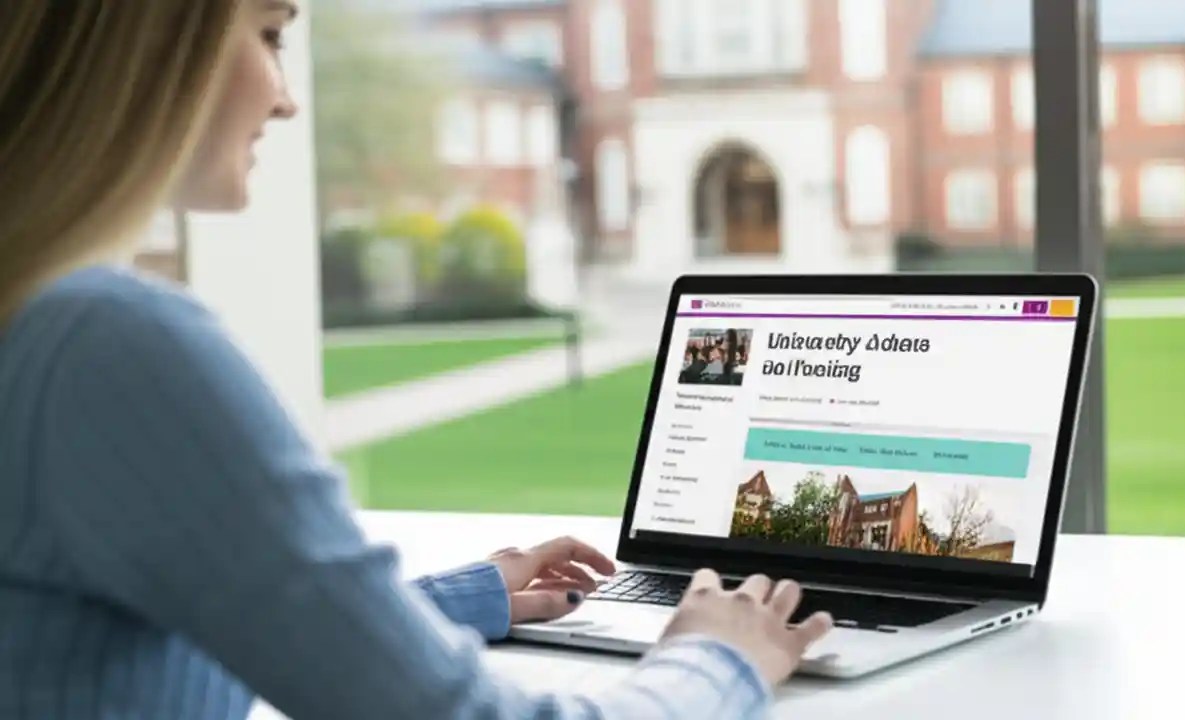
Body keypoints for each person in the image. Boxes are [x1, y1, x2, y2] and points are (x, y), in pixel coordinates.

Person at [0, 3, 833, 719]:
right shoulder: (102, 343)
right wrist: (719, 657)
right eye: (270, 33)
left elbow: (193, 620)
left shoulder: (37, 320)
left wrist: (445, 605)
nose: (288, 101)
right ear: (147, 46)